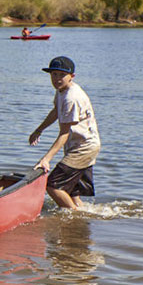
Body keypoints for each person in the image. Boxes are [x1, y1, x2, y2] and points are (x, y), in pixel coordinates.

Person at [29, 56, 101, 209]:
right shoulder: (61, 90)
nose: (57, 79)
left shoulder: (71, 97)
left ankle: (73, 216)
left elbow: (64, 133)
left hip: (84, 147)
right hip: (79, 145)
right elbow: (56, 111)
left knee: (52, 185)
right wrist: (39, 129)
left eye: (62, 75)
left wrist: (46, 159)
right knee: (72, 192)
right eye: (54, 74)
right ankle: (81, 216)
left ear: (72, 76)